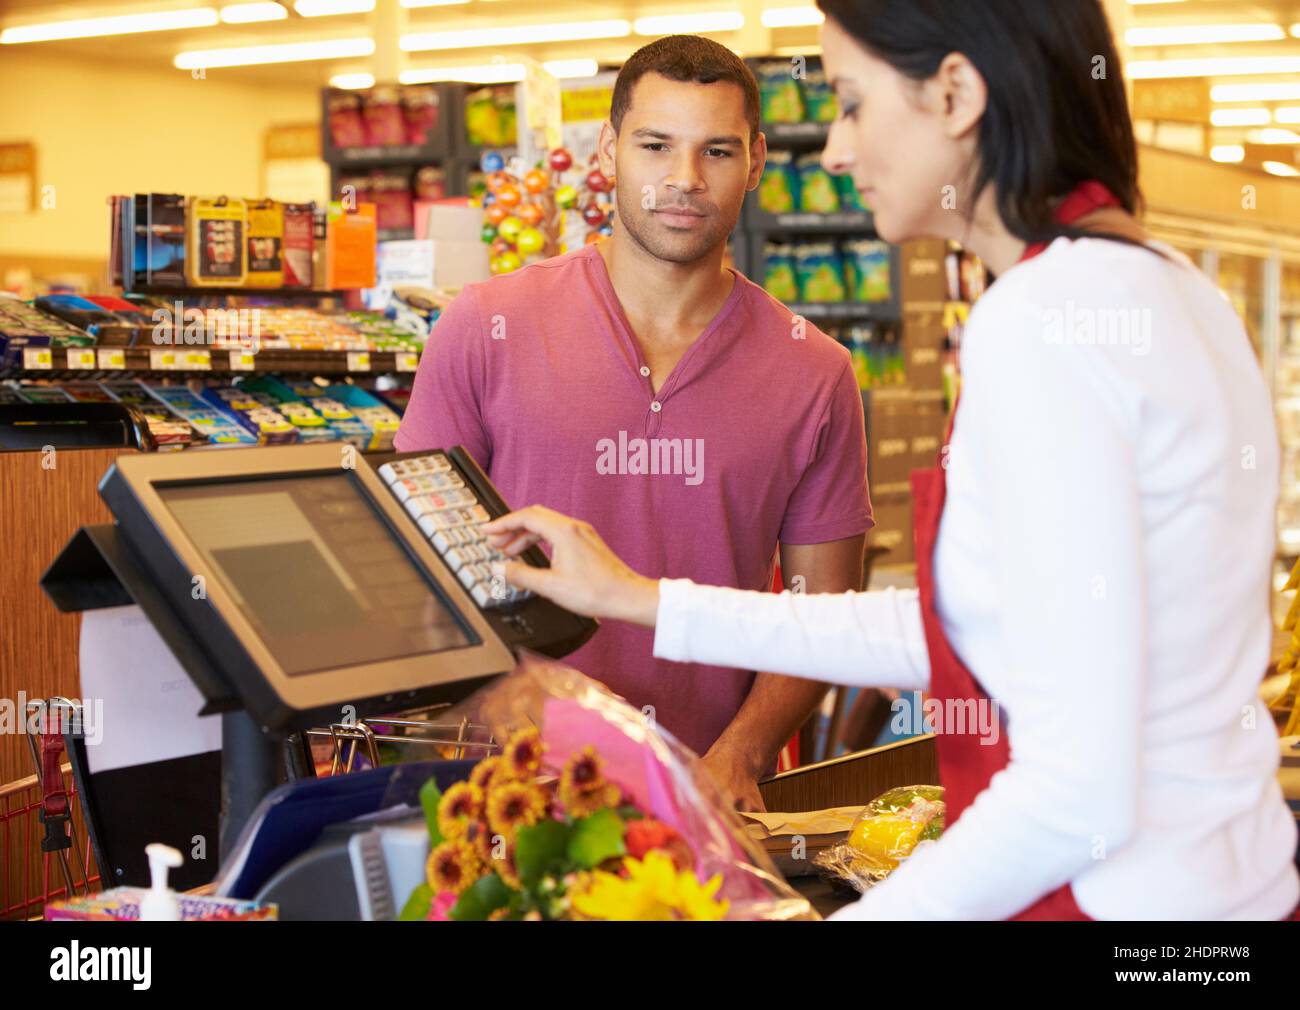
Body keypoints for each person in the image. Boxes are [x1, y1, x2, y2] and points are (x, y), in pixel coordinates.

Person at [480, 0, 1300, 920]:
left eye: (852, 101)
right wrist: (638, 598)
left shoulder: (1045, 321)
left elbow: (1076, 794)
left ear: (954, 94)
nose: (831, 149)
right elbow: (972, 628)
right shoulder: (1162, 283)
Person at [396, 35, 873, 810]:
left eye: (716, 151)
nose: (683, 180)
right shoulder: (484, 327)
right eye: (656, 146)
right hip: (509, 796)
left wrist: (740, 755)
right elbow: (415, 560)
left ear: (755, 161)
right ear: (610, 150)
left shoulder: (815, 372)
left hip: (711, 805)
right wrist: (495, 697)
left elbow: (822, 618)